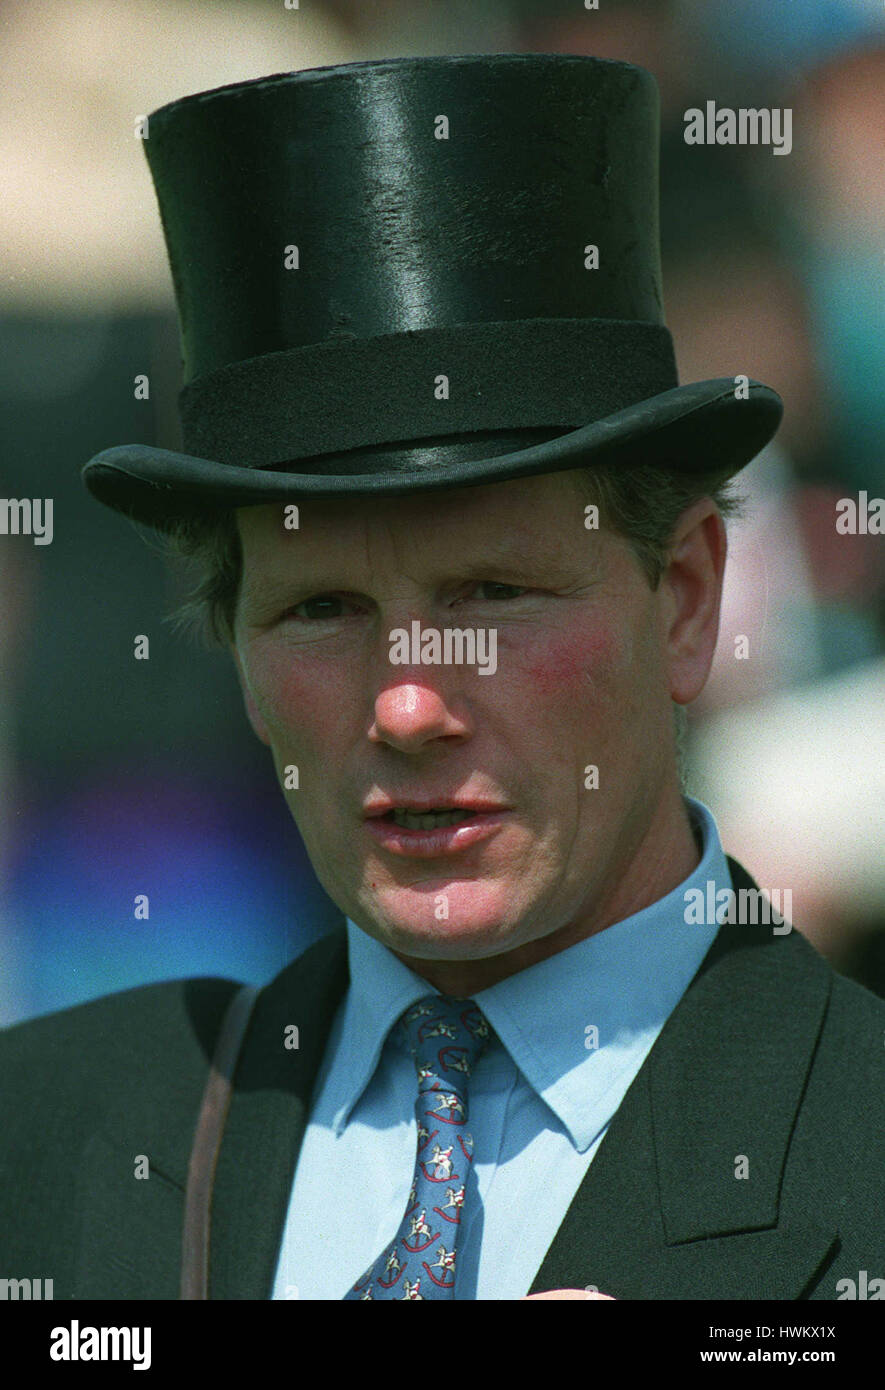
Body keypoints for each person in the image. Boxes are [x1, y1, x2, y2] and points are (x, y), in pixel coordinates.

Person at [1, 54, 882, 1302]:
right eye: (322, 609)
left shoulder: (855, 1146)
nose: (410, 703)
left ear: (685, 600)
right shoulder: (42, 1141)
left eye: (492, 593)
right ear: (240, 658)